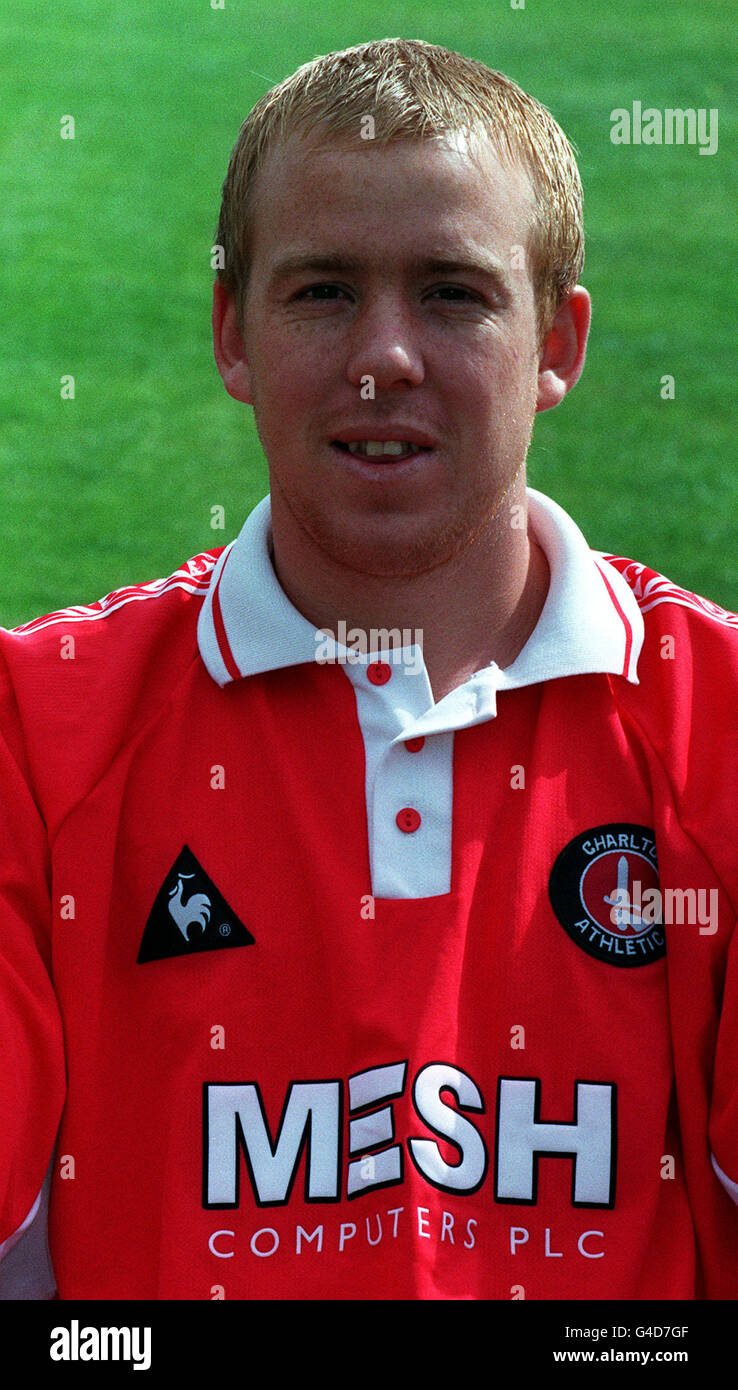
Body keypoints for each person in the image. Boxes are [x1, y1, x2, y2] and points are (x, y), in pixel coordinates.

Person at [0, 37, 735, 1302]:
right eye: (324, 291)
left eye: (453, 292)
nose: (383, 354)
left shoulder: (716, 729)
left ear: (558, 343)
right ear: (234, 333)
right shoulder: (37, 729)